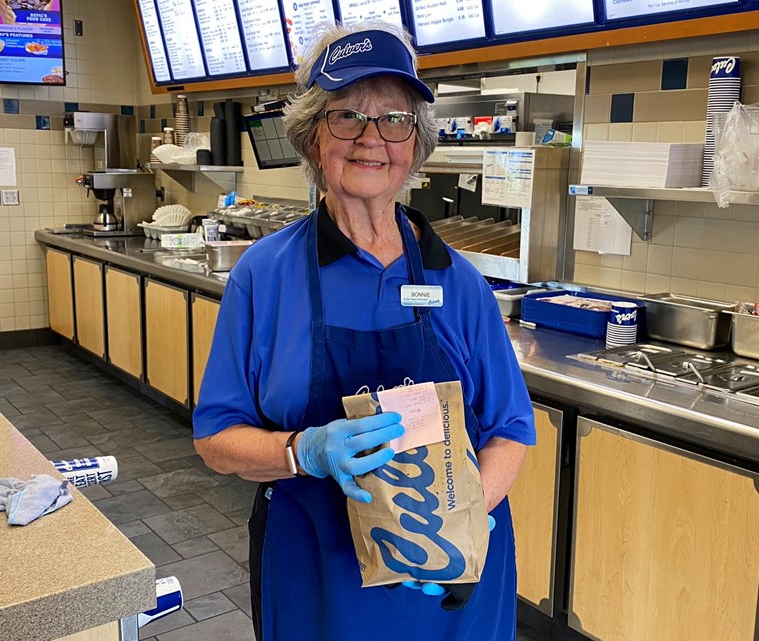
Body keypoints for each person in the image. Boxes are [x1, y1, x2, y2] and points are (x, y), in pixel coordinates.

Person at [192, 22, 534, 641]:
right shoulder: (264, 277)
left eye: (394, 119)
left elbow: (511, 428)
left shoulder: (457, 281)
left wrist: (457, 521)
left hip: (449, 579)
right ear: (312, 136)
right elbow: (217, 439)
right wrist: (303, 450)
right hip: (317, 570)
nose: (371, 138)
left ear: (416, 143)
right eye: (346, 116)